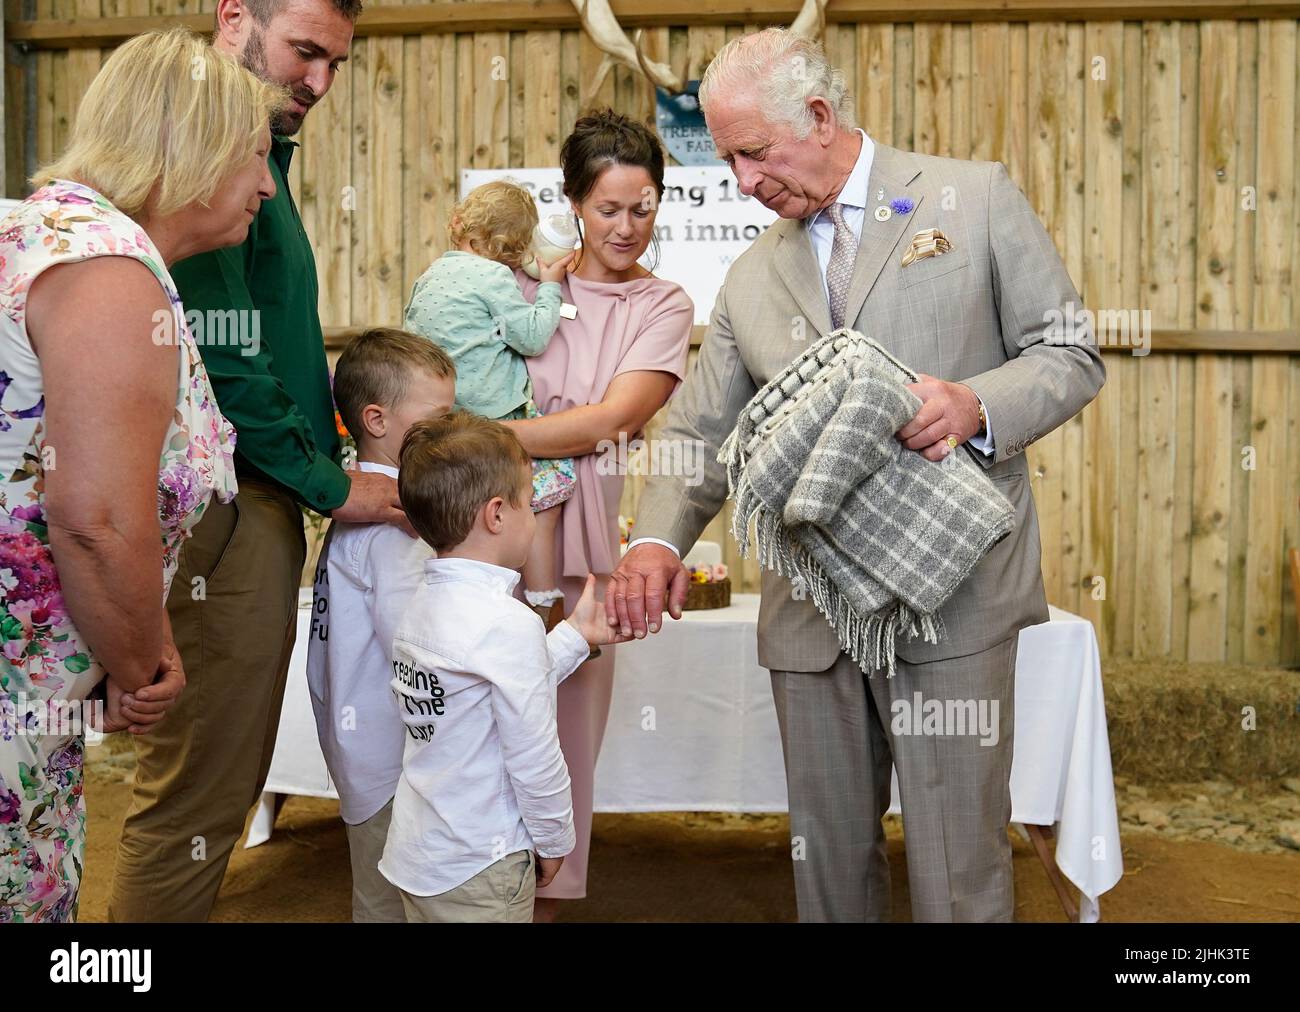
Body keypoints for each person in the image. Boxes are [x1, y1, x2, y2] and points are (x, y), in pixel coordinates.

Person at [611, 29, 1106, 922]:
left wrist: (977, 405)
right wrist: (654, 539)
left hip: (952, 599)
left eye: (754, 154)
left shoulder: (974, 196)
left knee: (959, 868)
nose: (744, 184)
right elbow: (700, 426)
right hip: (812, 618)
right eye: (727, 161)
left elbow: (1069, 350)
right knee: (828, 870)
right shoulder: (752, 274)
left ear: (819, 116)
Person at [108, 0, 404, 923]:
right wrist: (328, 481)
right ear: (235, 16)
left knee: (213, 788)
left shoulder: (260, 150)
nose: (318, 83)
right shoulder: (196, 152)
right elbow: (224, 360)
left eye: (336, 64)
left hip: (253, 498)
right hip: (227, 504)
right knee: (199, 793)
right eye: (304, 52)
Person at [0, 27, 282, 922]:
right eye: (257, 157)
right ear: (191, 150)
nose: (267, 187)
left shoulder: (34, 229)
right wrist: (141, 664)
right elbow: (93, 516)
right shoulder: (107, 270)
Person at [504, 109, 694, 916]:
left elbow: (613, 421)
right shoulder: (516, 287)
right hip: (481, 552)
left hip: (583, 568)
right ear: (572, 202)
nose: (627, 227)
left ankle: (543, 908)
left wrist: (485, 437)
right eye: (608, 208)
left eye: (643, 206)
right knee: (476, 748)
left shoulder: (665, 304)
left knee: (559, 759)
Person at [379, 413, 628, 922]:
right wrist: (556, 838)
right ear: (496, 515)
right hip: (483, 864)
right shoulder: (505, 623)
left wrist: (575, 637)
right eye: (529, 504)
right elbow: (536, 757)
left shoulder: (420, 603)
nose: (535, 519)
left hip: (421, 854)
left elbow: (496, 687)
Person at [305, 328, 455, 923]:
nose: (449, 428)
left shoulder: (362, 508)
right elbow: (417, 643)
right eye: (438, 416)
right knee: (397, 903)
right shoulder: (393, 524)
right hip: (393, 764)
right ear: (376, 418)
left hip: (361, 752)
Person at [404, 180, 577, 627]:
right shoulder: (495, 277)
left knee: (473, 519)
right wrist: (550, 286)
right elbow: (534, 336)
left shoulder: (429, 278)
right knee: (541, 498)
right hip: (500, 416)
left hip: (451, 421)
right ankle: (545, 605)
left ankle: (478, 610)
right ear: (513, 250)